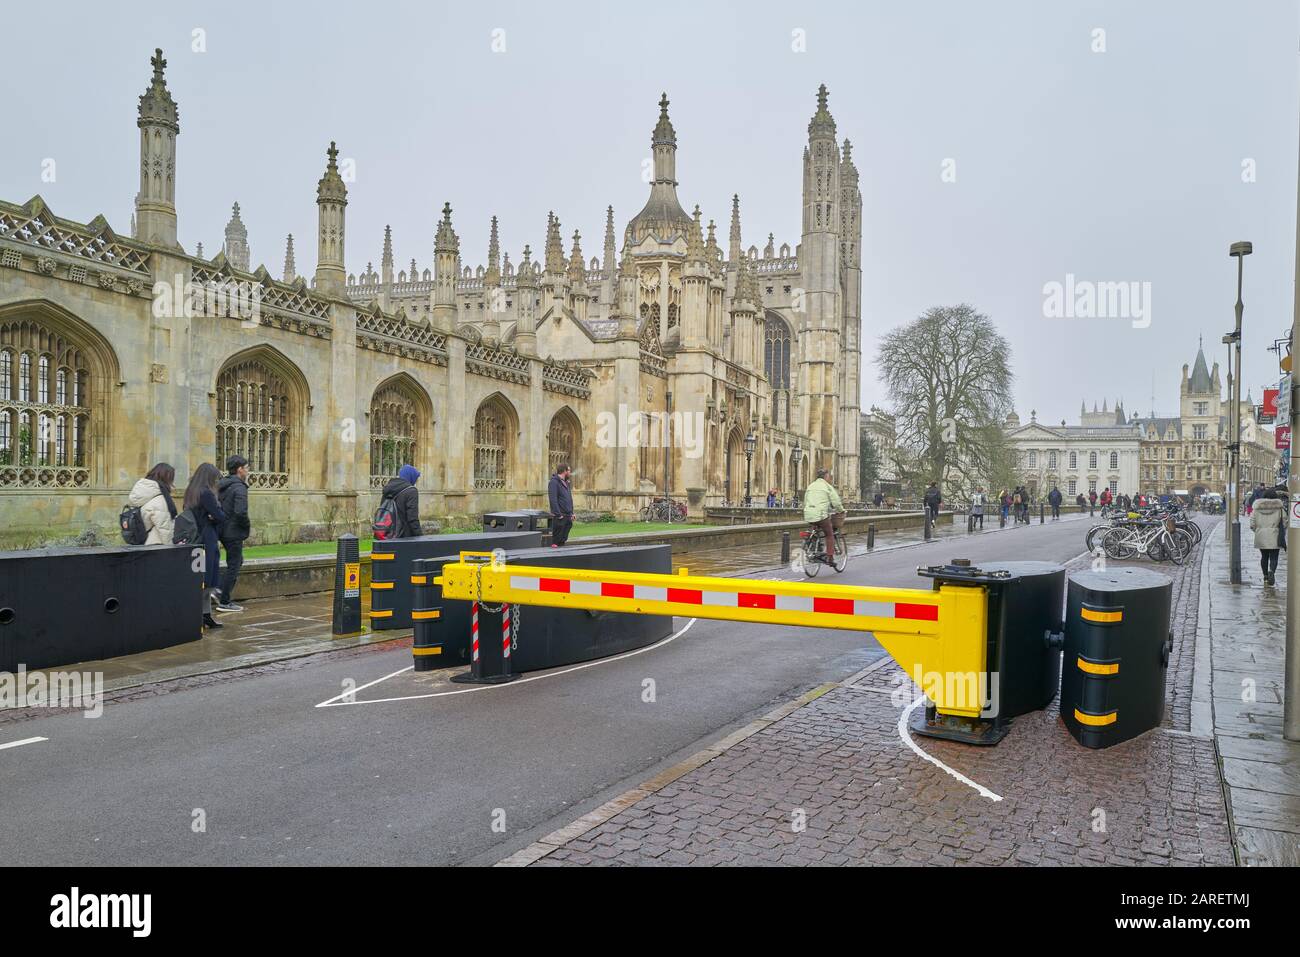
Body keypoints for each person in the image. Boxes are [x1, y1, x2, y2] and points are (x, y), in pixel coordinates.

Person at [183, 463, 227, 629]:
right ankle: (202, 615)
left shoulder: (190, 492)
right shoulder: (206, 493)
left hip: (195, 541)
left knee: (198, 578)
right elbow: (220, 516)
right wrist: (215, 515)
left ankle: (204, 615)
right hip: (207, 541)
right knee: (207, 579)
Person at [215, 455, 251, 613]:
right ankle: (224, 601)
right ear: (239, 469)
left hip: (222, 530)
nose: (248, 471)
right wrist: (246, 527)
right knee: (234, 565)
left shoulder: (223, 485)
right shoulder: (239, 487)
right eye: (247, 468)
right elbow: (240, 512)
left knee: (236, 561)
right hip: (233, 532)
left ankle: (219, 590)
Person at [129, 462, 177, 545]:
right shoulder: (159, 500)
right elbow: (164, 528)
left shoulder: (142, 493)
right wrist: (171, 548)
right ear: (166, 478)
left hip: (141, 542)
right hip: (155, 544)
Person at [803, 468, 845, 562]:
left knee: (815, 528)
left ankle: (814, 548)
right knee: (829, 534)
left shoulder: (811, 486)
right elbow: (836, 502)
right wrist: (841, 510)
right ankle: (830, 557)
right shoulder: (827, 486)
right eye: (829, 476)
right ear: (826, 476)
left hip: (808, 513)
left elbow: (805, 501)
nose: (829, 478)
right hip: (821, 514)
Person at [1250, 489, 1285, 585]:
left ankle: (1265, 576)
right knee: (1274, 557)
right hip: (1275, 535)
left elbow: (1252, 523)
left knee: (1264, 556)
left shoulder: (1256, 507)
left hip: (1261, 536)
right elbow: (1285, 521)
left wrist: (1257, 530)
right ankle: (1272, 571)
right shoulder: (1279, 508)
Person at [380, 464, 423, 539]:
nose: (416, 481)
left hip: (387, 535)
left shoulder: (388, 489)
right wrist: (421, 538)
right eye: (416, 479)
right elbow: (412, 519)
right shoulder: (411, 491)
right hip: (404, 538)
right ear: (411, 477)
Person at [549, 463, 575, 546]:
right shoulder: (554, 482)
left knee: (562, 541)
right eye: (569, 471)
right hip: (560, 517)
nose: (570, 473)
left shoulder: (566, 483)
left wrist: (572, 513)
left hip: (567, 517)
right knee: (556, 542)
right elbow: (553, 500)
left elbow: (569, 499)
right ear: (564, 471)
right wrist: (558, 514)